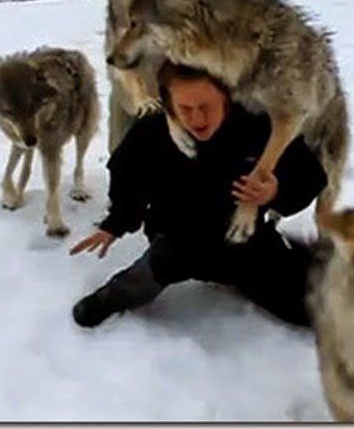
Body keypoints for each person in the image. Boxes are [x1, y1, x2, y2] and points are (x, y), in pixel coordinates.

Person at [69, 62, 327, 328]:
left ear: (226, 98)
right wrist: (116, 223)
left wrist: (276, 190)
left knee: (316, 312)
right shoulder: (151, 133)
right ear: (169, 105)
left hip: (243, 243)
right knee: (149, 272)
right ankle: (111, 297)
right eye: (185, 109)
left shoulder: (258, 127)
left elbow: (311, 176)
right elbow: (128, 179)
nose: (197, 119)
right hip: (177, 242)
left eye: (206, 107)